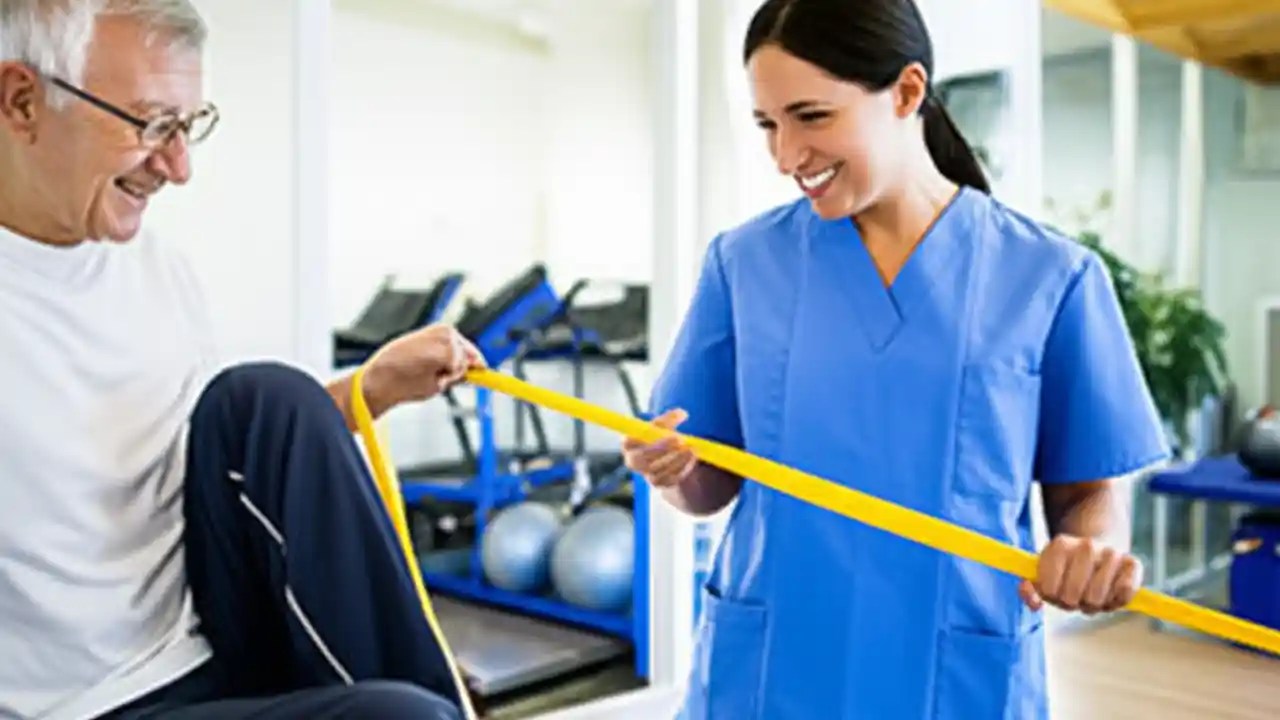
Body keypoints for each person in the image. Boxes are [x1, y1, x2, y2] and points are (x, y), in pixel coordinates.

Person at [622, 1, 1170, 718]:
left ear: (908, 93)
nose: (786, 156)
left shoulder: (1050, 277)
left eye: (811, 116)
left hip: (953, 671)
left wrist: (1090, 551)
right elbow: (709, 484)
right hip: (776, 666)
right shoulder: (744, 263)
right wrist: (677, 470)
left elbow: (1089, 495)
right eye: (768, 124)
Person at [0, 2, 484, 718]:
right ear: (21, 101)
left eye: (188, 127)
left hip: (210, 644)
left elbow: (198, 468)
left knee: (266, 398)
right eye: (152, 125)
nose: (178, 167)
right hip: (81, 707)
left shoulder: (156, 269)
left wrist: (370, 389)